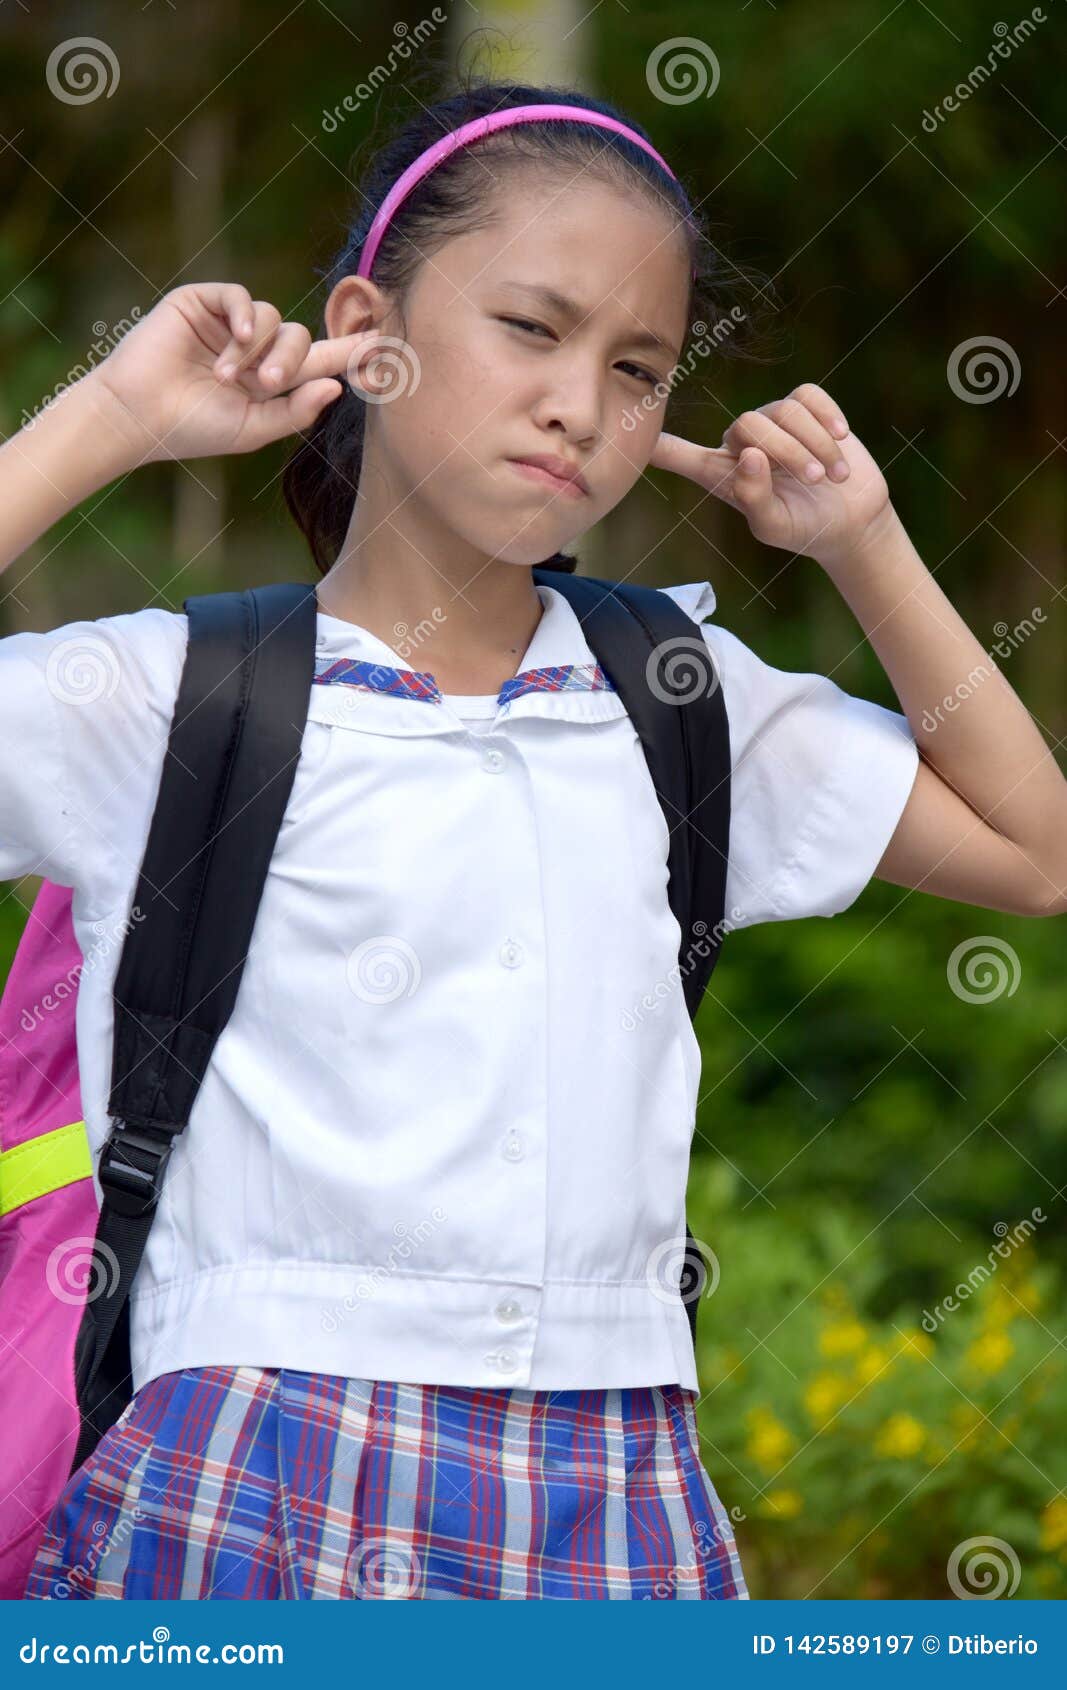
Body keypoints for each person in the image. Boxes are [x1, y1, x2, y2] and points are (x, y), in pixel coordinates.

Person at [5, 77, 1064, 1602]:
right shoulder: (176, 696)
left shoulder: (679, 698)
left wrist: (866, 544)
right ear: (370, 326)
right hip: (247, 1458)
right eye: (532, 329)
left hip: (613, 1477)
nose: (585, 402)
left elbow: (1037, 854)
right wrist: (109, 418)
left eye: (640, 367)